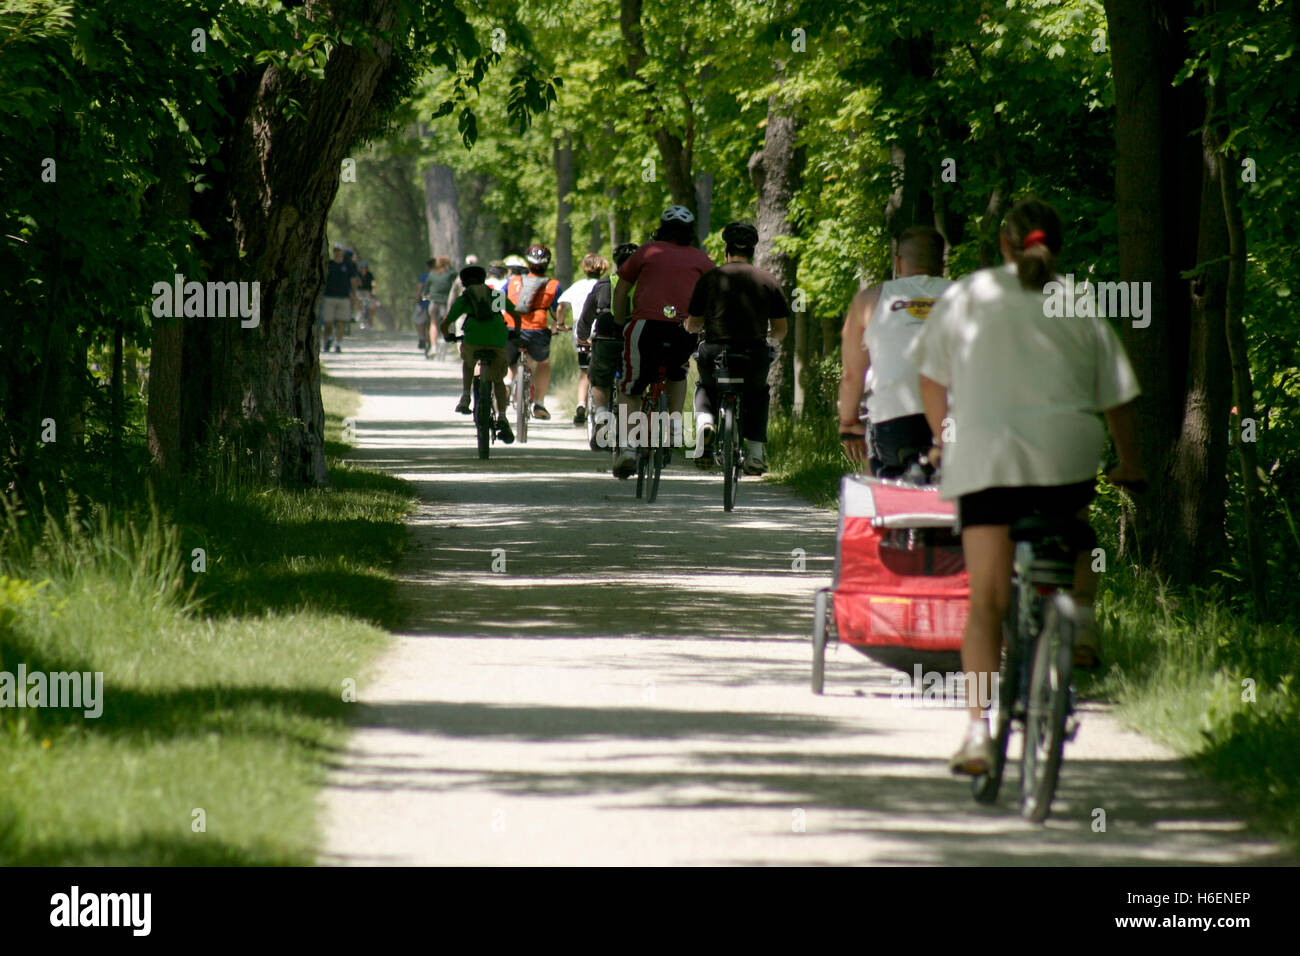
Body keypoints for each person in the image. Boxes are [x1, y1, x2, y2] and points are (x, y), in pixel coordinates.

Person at [904, 198, 1146, 776]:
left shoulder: (967, 295)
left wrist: (943, 439)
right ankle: (1079, 617)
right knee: (1076, 529)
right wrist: (1130, 463)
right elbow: (1117, 398)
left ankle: (978, 733)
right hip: (1066, 456)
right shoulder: (1080, 303)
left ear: (1004, 245)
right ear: (1056, 245)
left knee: (985, 602)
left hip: (984, 459)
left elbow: (931, 380)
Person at [838, 226, 953, 477]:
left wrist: (848, 423)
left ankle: (878, 510)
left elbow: (851, 374)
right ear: (942, 264)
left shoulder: (869, 300)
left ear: (898, 263)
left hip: (894, 423)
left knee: (876, 479)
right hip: (954, 421)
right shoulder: (968, 296)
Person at [610, 206, 715, 479]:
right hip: (683, 328)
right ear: (690, 232)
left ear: (662, 228)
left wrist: (621, 321)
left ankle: (630, 448)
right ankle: (673, 428)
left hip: (645, 327)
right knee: (678, 372)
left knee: (631, 386)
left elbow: (621, 289)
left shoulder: (646, 251)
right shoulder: (702, 260)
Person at [684, 222, 790, 476]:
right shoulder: (768, 281)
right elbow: (781, 330)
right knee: (757, 394)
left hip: (715, 351)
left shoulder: (710, 278)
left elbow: (694, 323)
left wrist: (692, 327)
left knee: (706, 386)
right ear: (753, 251)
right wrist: (766, 333)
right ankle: (754, 454)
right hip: (752, 354)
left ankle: (706, 425)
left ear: (726, 249)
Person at [440, 265, 516, 444]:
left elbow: (447, 323)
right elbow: (516, 316)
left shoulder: (465, 299)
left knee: (468, 363)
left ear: (464, 283)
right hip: (498, 340)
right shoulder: (496, 295)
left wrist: (449, 336)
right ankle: (503, 416)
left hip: (473, 340)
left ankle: (466, 395)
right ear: (483, 279)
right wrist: (516, 332)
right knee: (498, 379)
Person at [580, 243, 638, 451]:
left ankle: (603, 418)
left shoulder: (604, 283)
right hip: (633, 339)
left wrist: (582, 336)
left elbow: (587, 314)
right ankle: (634, 427)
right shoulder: (643, 284)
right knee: (631, 382)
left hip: (605, 337)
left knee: (600, 380)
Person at [504, 244, 564, 420]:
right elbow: (556, 311)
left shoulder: (513, 281)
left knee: (511, 360)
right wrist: (558, 325)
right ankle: (539, 403)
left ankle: (507, 383)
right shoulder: (553, 285)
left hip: (511, 329)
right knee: (543, 363)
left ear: (528, 263)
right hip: (537, 332)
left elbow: (498, 302)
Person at [558, 254, 610, 425]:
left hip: (582, 335)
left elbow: (561, 306)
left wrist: (560, 323)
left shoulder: (577, 286)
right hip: (604, 333)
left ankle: (581, 403)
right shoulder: (606, 285)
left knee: (584, 371)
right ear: (603, 268)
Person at [323, 242, 359, 353]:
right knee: (328, 323)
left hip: (344, 298)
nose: (337, 252)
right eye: (335, 250)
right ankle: (328, 339)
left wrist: (354, 294)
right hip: (329, 297)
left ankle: (338, 344)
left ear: (342, 252)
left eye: (339, 250)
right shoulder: (329, 264)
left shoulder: (348, 266)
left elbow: (353, 281)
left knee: (341, 323)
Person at [421, 256, 457, 359]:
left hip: (433, 303)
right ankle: (446, 343)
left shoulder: (432, 274)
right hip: (446, 303)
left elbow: (425, 290)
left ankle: (434, 347)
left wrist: (426, 295)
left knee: (433, 323)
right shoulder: (451, 274)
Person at [414, 257, 436, 351]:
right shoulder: (438, 275)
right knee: (434, 321)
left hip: (424, 303)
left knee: (417, 319)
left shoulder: (424, 276)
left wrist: (417, 299)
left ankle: (421, 337)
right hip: (436, 302)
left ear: (427, 266)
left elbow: (419, 289)